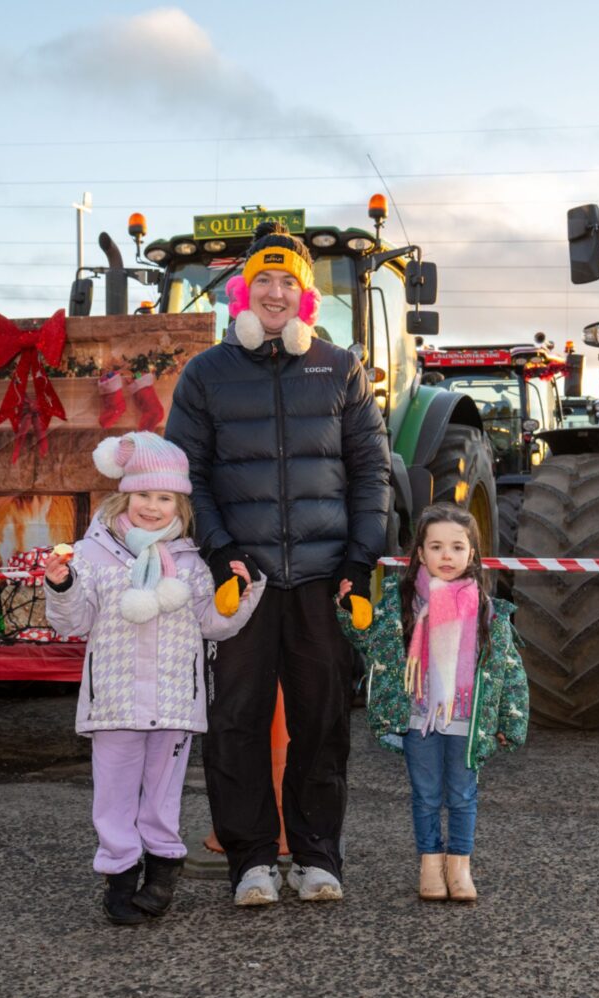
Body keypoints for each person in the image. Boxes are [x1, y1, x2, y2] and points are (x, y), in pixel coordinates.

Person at [164, 221, 390, 907]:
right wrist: (221, 550)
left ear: (305, 296)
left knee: (323, 722)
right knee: (236, 722)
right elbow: (188, 475)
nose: (273, 292)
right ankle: (252, 861)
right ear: (242, 293)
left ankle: (318, 857)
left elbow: (371, 472)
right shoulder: (206, 374)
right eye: (261, 279)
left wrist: (359, 561)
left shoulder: (340, 368)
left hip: (322, 579)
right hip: (243, 581)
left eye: (286, 281)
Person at [44, 431, 264, 925]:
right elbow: (73, 622)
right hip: (114, 702)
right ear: (125, 495)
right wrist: (62, 585)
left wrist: (243, 595)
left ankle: (163, 871)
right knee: (114, 794)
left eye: (164, 498)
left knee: (163, 793)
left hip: (173, 701)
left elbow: (214, 624)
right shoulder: (92, 554)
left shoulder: (191, 562)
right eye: (143, 494)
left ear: (179, 505)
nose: (152, 506)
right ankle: (120, 876)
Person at [341, 503, 529, 902]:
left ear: (472, 553)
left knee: (462, 795)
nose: (447, 556)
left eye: (457, 547)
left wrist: (509, 722)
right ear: (420, 554)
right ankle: (430, 863)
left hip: (466, 720)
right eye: (436, 546)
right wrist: (348, 610)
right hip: (418, 717)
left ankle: (459, 866)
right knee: (425, 795)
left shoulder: (487, 611)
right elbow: (369, 640)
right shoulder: (400, 606)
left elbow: (510, 669)